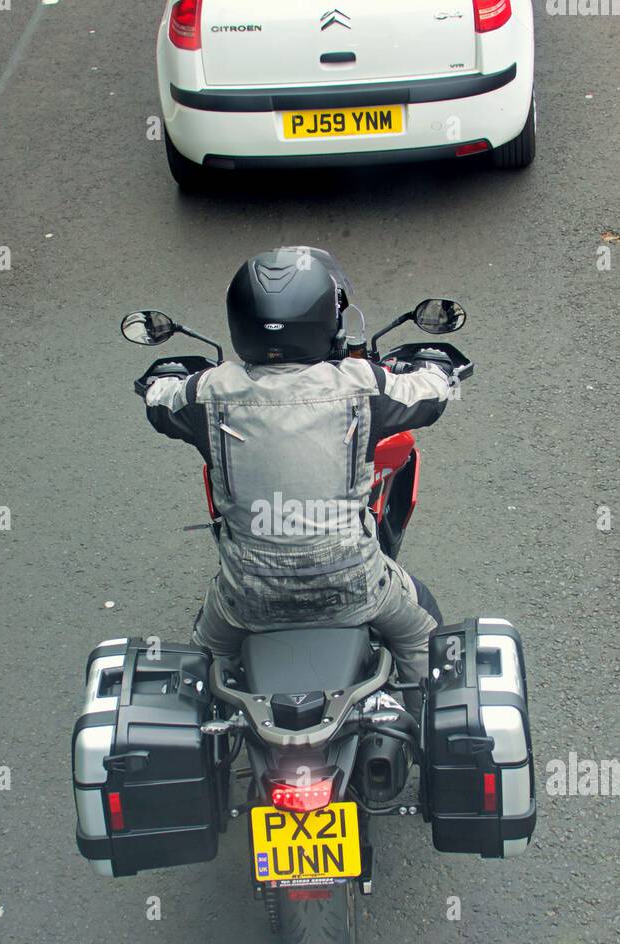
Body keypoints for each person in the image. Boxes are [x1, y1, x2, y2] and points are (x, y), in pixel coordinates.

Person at [139, 246, 455, 693]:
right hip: (354, 588)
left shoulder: (208, 394)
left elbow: (158, 401)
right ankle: (425, 713)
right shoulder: (362, 384)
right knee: (422, 629)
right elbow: (431, 395)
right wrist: (438, 371)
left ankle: (208, 712)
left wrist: (156, 383)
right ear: (327, 320)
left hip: (247, 600)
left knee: (199, 662)